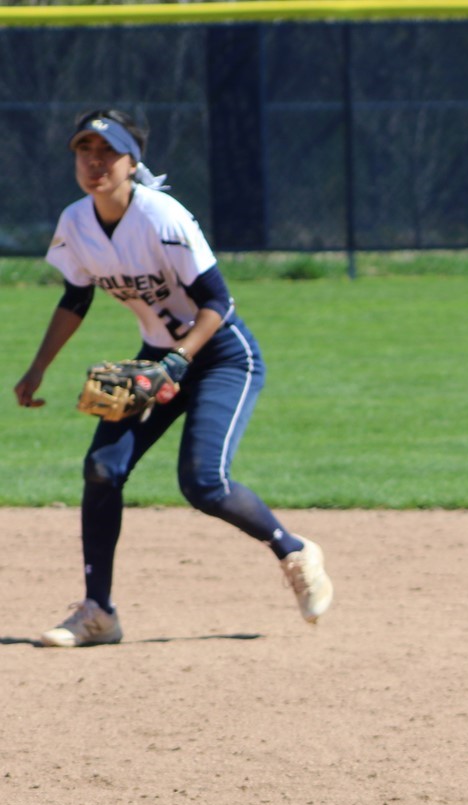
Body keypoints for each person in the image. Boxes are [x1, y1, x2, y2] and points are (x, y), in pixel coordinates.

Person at [12, 108, 332, 647]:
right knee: (102, 469)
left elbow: (218, 302)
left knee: (204, 483)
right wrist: (38, 366)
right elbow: (76, 297)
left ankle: (294, 550)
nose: (94, 162)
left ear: (131, 162)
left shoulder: (162, 217)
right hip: (156, 361)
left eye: (108, 152)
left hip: (222, 356)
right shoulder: (76, 223)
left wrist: (178, 361)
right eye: (84, 150)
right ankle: (98, 613)